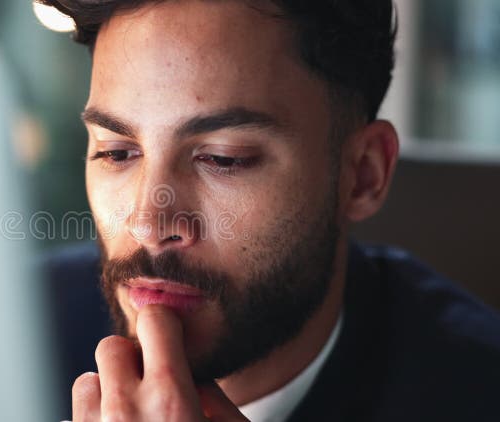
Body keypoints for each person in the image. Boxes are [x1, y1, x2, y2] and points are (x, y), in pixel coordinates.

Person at [39, 1, 500, 421]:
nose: (147, 223)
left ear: (362, 174)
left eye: (224, 158)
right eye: (116, 153)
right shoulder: (7, 329)